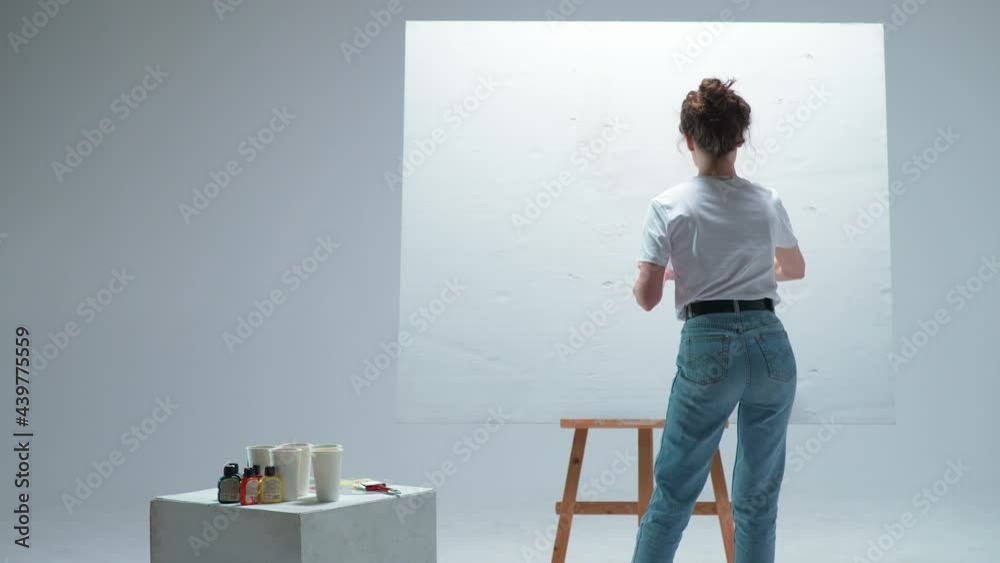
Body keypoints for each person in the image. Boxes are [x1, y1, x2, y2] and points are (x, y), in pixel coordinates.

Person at [629, 78, 805, 563]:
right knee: (757, 499)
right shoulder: (766, 200)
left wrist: (670, 274)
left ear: (688, 139)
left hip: (709, 345)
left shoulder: (668, 205)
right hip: (771, 345)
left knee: (672, 496)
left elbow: (645, 298)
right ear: (740, 138)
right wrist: (750, 270)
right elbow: (794, 268)